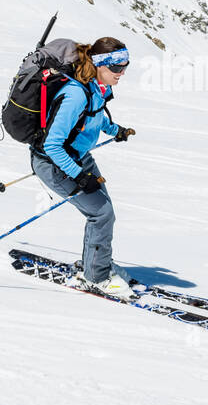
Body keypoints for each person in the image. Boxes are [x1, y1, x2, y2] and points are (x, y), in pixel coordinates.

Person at [31, 36, 138, 297]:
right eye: (116, 67)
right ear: (100, 65)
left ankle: (98, 264)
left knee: (105, 211)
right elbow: (52, 146)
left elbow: (94, 117)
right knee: (101, 214)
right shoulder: (76, 94)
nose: (121, 73)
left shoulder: (94, 86)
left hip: (77, 156)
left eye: (125, 66)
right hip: (55, 163)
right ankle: (96, 277)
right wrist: (79, 176)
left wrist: (116, 130)